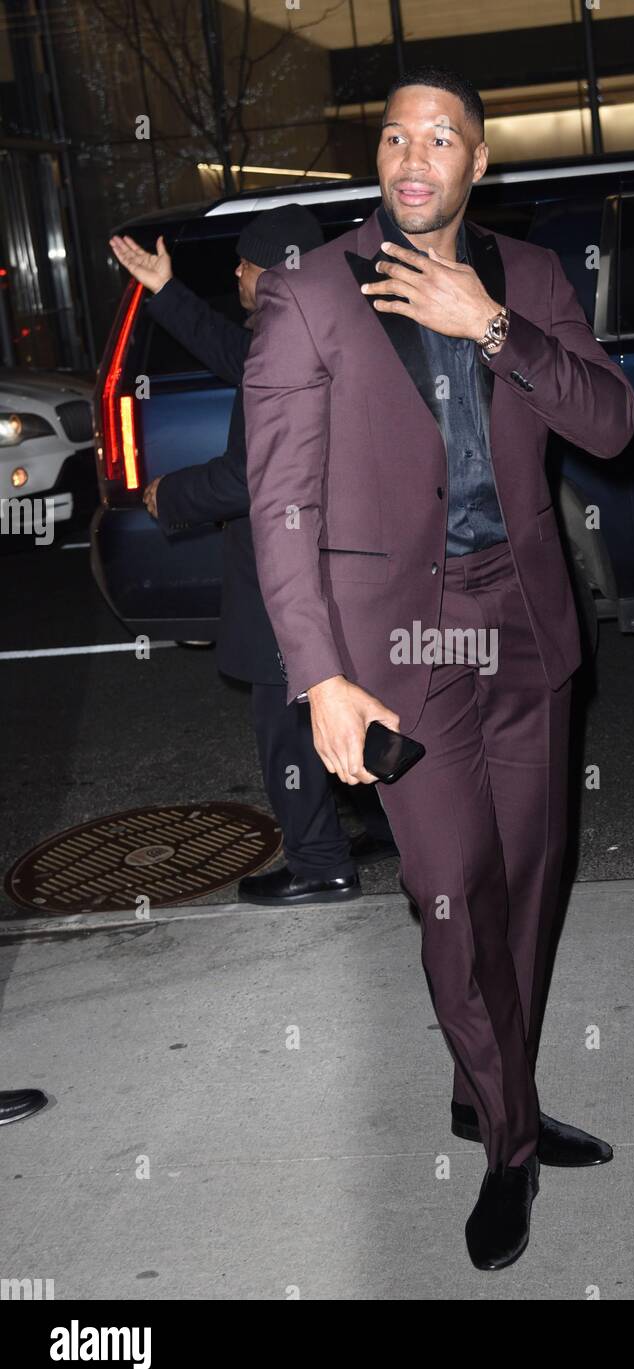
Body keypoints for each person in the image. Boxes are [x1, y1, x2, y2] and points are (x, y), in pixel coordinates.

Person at [243, 66, 634, 1269]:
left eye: (442, 137)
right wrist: (318, 674)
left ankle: (484, 1085)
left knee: (528, 875)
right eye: (395, 136)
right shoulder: (310, 296)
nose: (414, 156)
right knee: (454, 891)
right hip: (394, 650)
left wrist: (493, 329)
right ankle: (508, 1143)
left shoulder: (529, 278)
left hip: (522, 623)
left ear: (479, 161)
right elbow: (281, 506)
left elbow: (615, 424)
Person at [109, 208, 398, 908]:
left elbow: (252, 474)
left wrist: (169, 494)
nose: (235, 272)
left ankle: (318, 863)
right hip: (338, 560)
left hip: (293, 571)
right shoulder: (317, 325)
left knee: (287, 720)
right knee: (348, 697)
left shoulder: (295, 338)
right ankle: (390, 820)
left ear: (269, 273)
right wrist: (165, 290)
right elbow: (239, 360)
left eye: (243, 263)